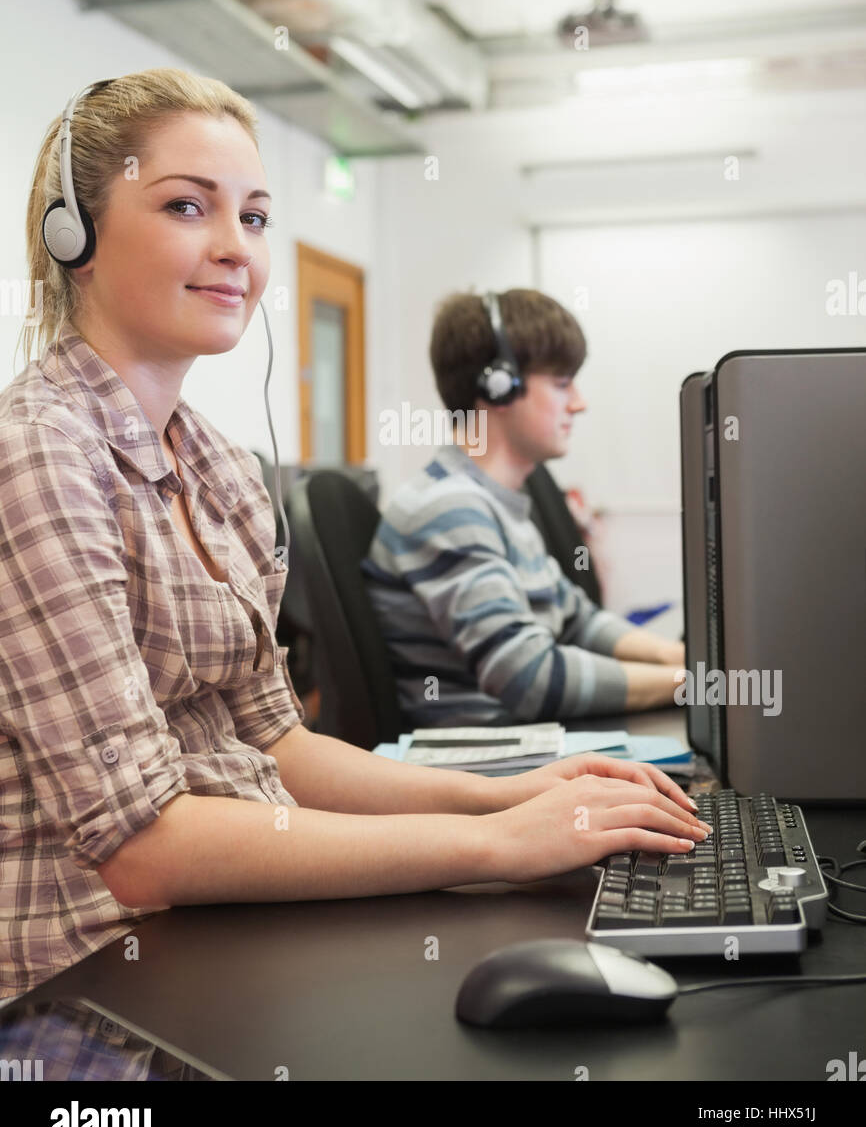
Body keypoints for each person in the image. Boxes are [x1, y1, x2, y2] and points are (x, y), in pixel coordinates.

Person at [0, 71, 708, 1002]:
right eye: (186, 206)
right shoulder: (39, 454)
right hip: (100, 978)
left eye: (254, 218)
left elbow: (279, 747)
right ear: (73, 238)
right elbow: (143, 849)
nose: (234, 250)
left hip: (227, 919)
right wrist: (498, 843)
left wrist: (522, 790)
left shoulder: (217, 465)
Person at [364, 288, 684, 726]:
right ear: (499, 387)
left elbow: (576, 619)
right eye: (561, 383)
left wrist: (677, 657)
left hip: (524, 744)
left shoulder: (501, 502)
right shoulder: (450, 509)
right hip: (485, 763)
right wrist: (687, 683)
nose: (579, 402)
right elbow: (531, 679)